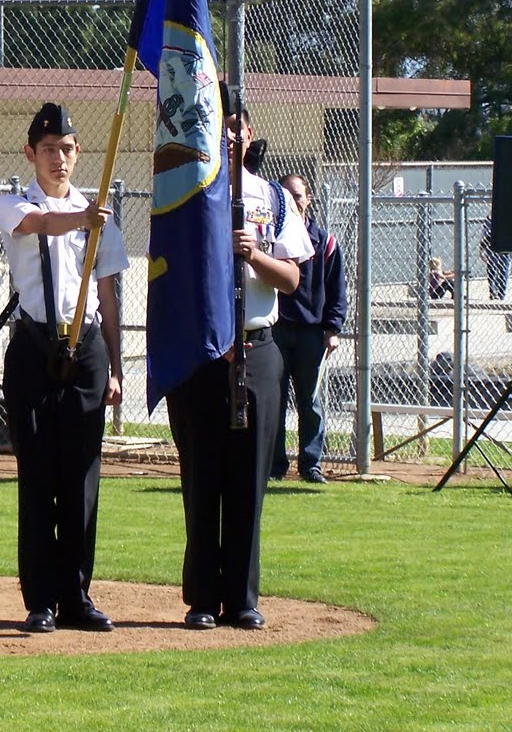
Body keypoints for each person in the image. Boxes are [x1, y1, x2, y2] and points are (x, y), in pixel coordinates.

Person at [168, 108, 312, 632]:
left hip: (258, 348)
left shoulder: (271, 198)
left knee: (250, 477)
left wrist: (254, 257)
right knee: (202, 475)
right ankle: (203, 597)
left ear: (250, 134)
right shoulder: (185, 193)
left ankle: (243, 598)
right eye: (220, 125)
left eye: (237, 127)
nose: (229, 135)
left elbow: (293, 278)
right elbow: (169, 272)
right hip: (203, 354)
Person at [0, 102, 127, 634]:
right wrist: (83, 219)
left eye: (67, 149)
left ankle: (76, 594)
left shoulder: (97, 215)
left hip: (86, 347)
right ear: (31, 153)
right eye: (49, 149)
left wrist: (115, 366)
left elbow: (108, 293)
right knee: (38, 476)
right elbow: (41, 224)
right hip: (34, 347)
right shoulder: (14, 204)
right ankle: (40, 599)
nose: (59, 159)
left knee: (81, 479)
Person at [271, 173, 345, 484]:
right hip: (276, 330)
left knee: (310, 403)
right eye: (286, 196)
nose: (293, 201)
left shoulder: (325, 242)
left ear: (308, 198)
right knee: (273, 401)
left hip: (312, 333)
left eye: (297, 195)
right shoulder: (270, 240)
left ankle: (310, 464)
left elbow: (337, 290)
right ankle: (274, 465)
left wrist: (333, 328)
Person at [480, 216, 510, 301]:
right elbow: (484, 235)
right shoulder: (489, 220)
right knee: (492, 271)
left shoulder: (505, 219)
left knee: (502, 271)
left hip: (503, 247)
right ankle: (493, 292)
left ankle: (501, 293)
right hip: (492, 247)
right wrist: (482, 248)